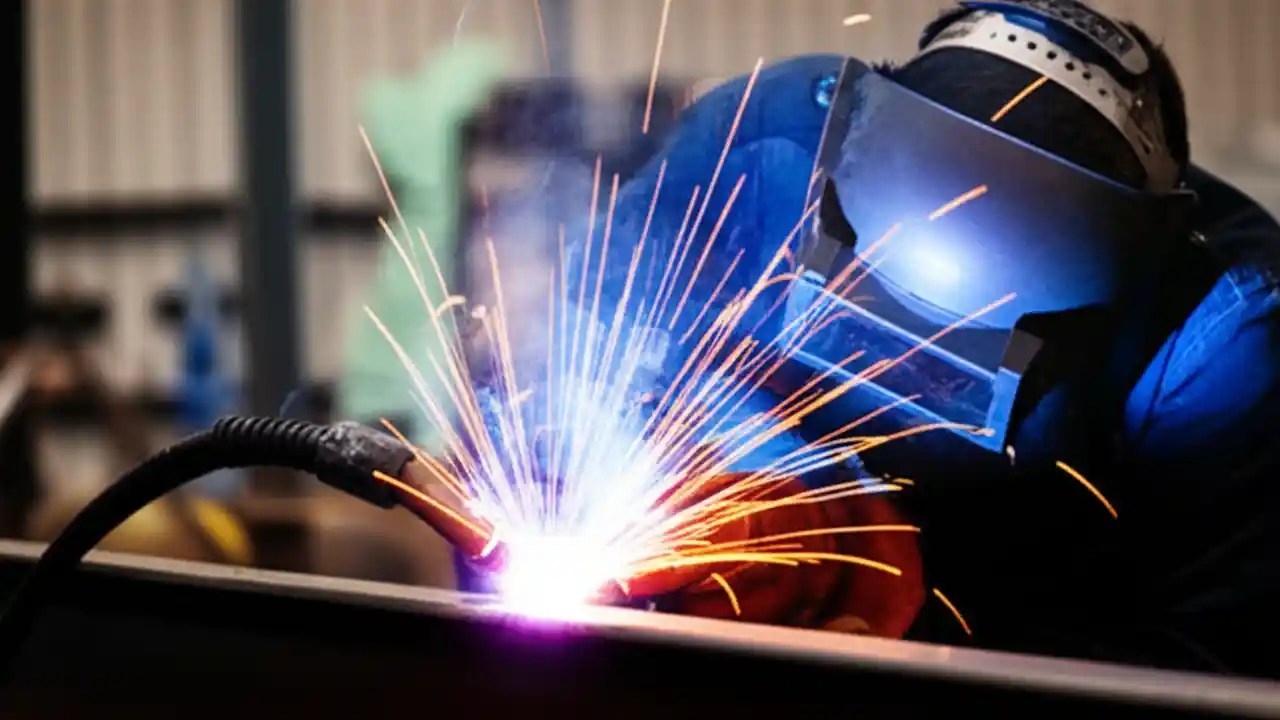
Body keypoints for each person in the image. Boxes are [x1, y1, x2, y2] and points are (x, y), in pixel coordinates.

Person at [544, 0, 1280, 680]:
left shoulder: (1226, 340)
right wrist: (745, 482)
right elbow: (573, 361)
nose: (910, 370)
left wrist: (929, 652)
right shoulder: (764, 141)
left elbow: (1210, 664)